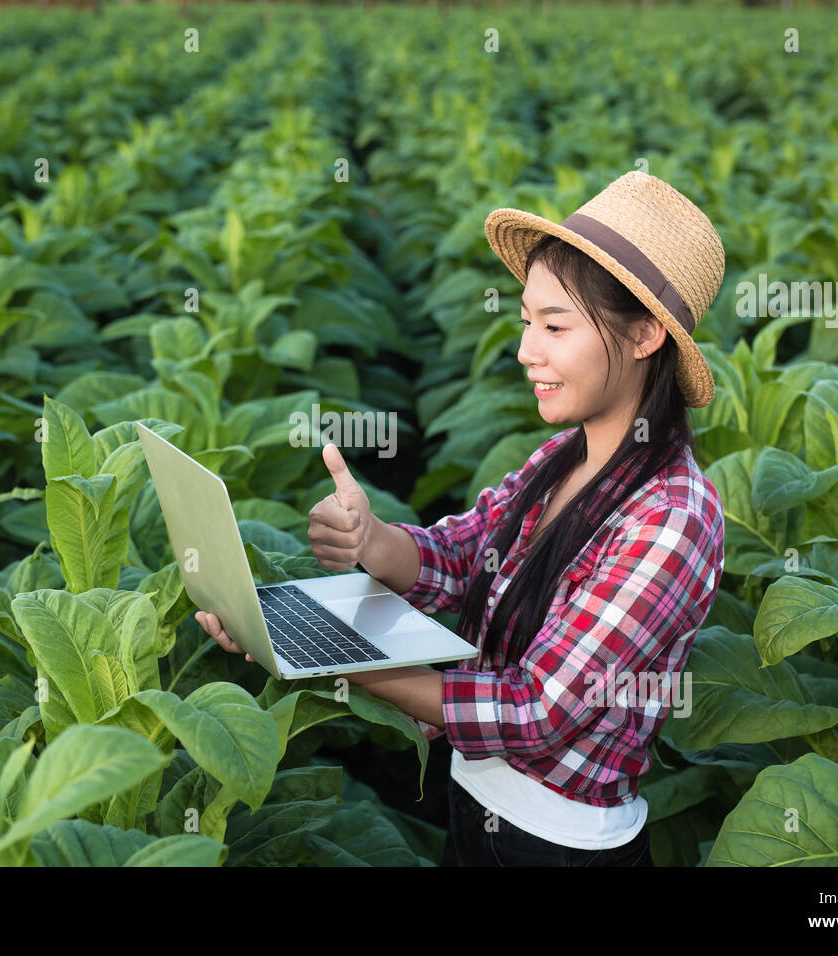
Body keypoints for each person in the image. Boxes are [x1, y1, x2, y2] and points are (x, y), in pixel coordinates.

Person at [197, 171, 726, 867]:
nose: (525, 351)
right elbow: (459, 555)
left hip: (558, 848)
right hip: (477, 805)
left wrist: (317, 652)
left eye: (555, 327)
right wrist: (370, 537)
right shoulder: (560, 460)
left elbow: (535, 713)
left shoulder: (673, 518)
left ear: (645, 335)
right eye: (526, 322)